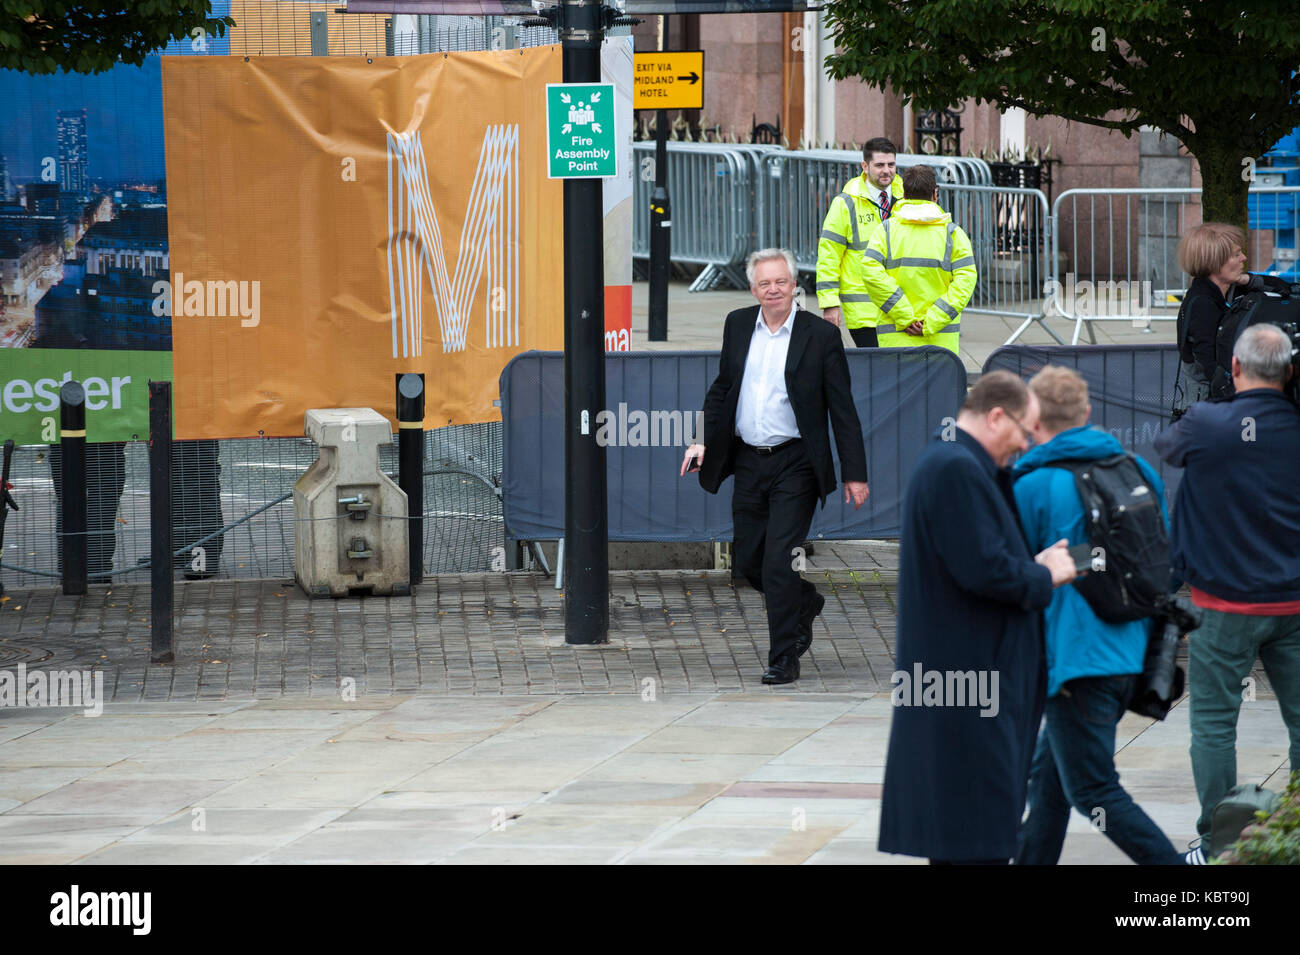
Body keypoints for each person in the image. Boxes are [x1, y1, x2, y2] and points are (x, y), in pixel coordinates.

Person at [878, 371, 1077, 864]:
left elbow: (979, 558)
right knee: (972, 840)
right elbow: (984, 571)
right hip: (970, 690)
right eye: (1024, 431)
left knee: (968, 836)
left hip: (970, 685)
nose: (1026, 444)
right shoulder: (955, 468)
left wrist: (1031, 565)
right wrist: (1045, 574)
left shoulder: (958, 462)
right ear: (995, 416)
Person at [1011, 365, 1183, 865]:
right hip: (1133, 649)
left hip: (1076, 662)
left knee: (1094, 792)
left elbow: (1010, 576)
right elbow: (1160, 554)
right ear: (1086, 413)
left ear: (1032, 418)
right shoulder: (1135, 468)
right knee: (1049, 781)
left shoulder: (1032, 484)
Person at [681, 248, 869, 685]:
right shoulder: (737, 324)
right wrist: (702, 439)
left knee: (781, 562)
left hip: (796, 463)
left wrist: (855, 473)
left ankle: (783, 657)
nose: (773, 290)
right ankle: (803, 603)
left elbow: (842, 411)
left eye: (781, 282)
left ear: (793, 284)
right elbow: (722, 389)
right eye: (764, 283)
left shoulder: (820, 336)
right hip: (748, 459)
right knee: (749, 561)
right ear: (753, 288)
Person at [1154, 323, 1300, 864]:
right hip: (1293, 600)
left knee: (1214, 723)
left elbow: (1168, 447)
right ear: (1289, 373)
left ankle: (1218, 845)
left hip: (1223, 603)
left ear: (1235, 368)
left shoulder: (1208, 425)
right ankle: (1293, 830)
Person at [861, 164, 977, 355]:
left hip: (895, 341)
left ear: (904, 195)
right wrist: (931, 321)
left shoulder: (886, 231)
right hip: (940, 343)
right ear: (935, 194)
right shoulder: (953, 234)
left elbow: (870, 273)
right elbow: (965, 282)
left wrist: (905, 316)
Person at [1173, 222, 1285, 414]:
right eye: (1236, 254)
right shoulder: (1201, 303)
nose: (1244, 258)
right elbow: (1209, 366)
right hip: (1210, 410)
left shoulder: (1231, 290)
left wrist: (1248, 280)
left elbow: (1286, 289)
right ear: (1214, 261)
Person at [815, 137, 904, 347]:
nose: (887, 171)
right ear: (865, 166)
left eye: (891, 165)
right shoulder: (845, 204)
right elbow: (829, 255)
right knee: (876, 370)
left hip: (901, 307)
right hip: (864, 312)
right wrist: (829, 304)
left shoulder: (906, 198)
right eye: (879, 165)